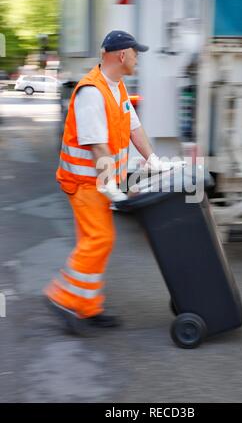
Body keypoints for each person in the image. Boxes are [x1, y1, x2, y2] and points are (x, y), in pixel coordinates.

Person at [45, 30, 182, 335]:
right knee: (99, 240)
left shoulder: (116, 87)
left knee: (96, 242)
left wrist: (154, 160)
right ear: (122, 55)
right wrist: (113, 189)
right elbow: (97, 147)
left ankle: (87, 307)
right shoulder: (92, 92)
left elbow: (134, 127)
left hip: (98, 182)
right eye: (136, 53)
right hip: (84, 182)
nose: (138, 59)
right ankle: (62, 297)